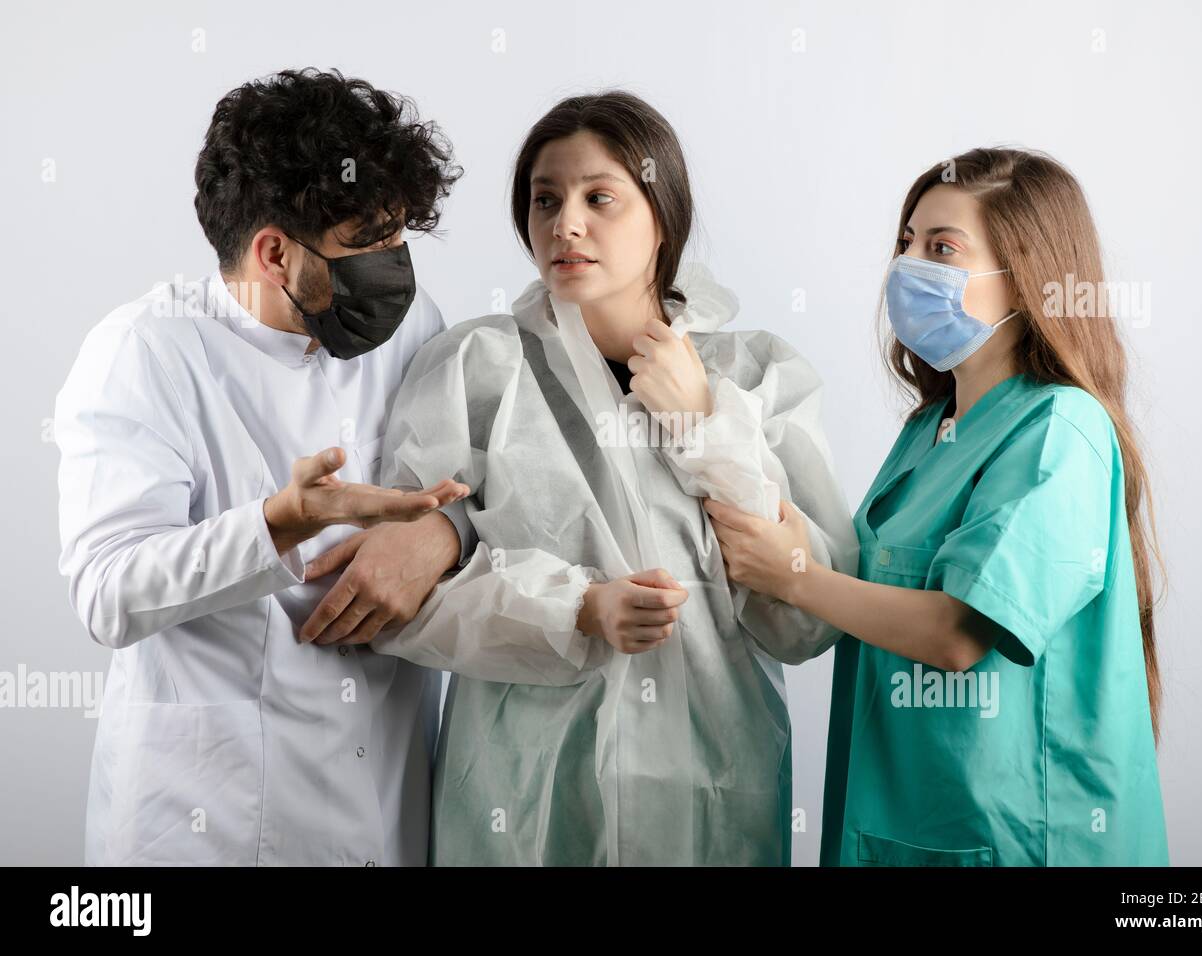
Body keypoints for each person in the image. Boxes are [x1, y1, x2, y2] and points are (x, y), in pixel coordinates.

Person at [345, 91, 857, 865]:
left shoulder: (757, 377)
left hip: (712, 795)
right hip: (525, 805)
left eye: (599, 198)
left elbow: (808, 618)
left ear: (664, 217)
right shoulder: (477, 370)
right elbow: (404, 603)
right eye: (544, 200)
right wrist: (575, 611)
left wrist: (705, 427)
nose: (565, 224)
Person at [705, 148, 1169, 866]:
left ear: (1026, 274)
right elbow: (875, 583)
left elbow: (958, 634)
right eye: (906, 243)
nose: (907, 266)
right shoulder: (931, 430)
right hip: (900, 817)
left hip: (1016, 831)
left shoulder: (1060, 430)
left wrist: (794, 577)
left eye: (941, 248)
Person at [54, 68, 471, 866]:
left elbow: (470, 483)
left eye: (398, 236)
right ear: (275, 253)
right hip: (207, 811)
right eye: (368, 242)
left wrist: (441, 535)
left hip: (380, 793)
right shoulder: (147, 351)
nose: (394, 264)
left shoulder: (417, 328)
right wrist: (278, 523)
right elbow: (107, 594)